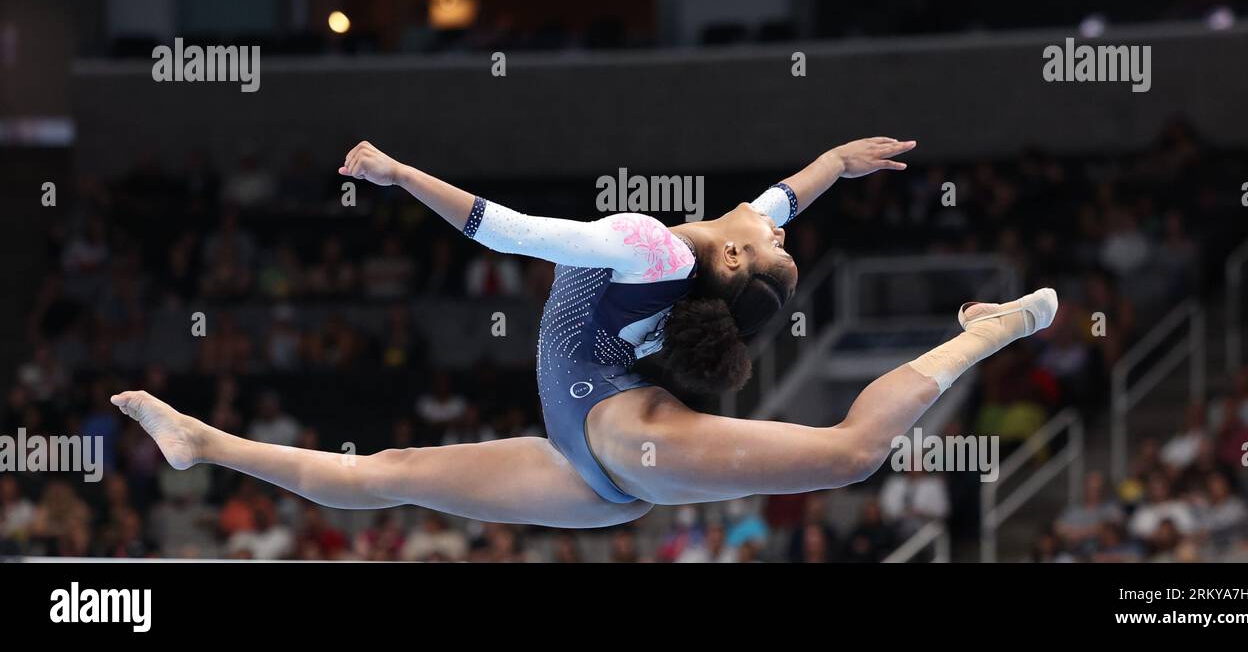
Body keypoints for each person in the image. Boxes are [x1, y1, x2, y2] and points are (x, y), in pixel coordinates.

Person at [111, 137, 1056, 529]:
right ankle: (201, 440)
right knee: (382, 473)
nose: (774, 221)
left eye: (770, 239)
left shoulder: (646, 246)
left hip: (617, 437)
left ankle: (986, 329)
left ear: (732, 263)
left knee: (851, 454)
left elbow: (514, 231)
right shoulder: (720, 249)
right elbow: (775, 205)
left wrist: (404, 176)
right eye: (777, 235)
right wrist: (835, 164)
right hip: (586, 462)